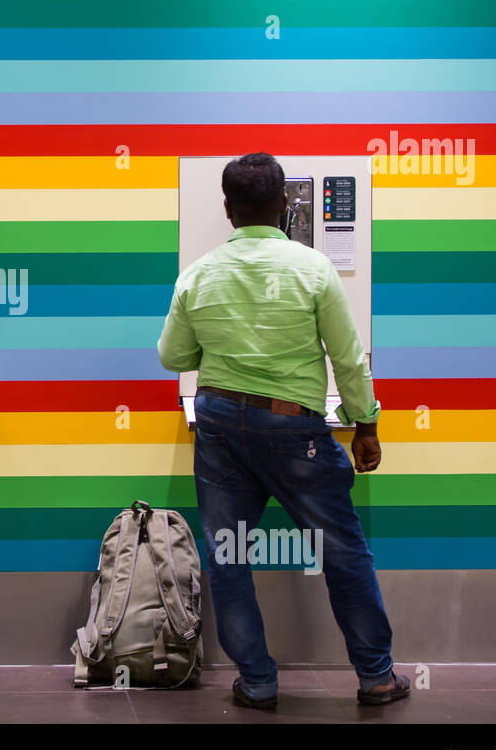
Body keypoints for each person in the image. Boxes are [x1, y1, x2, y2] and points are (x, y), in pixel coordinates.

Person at [156, 152, 408, 708]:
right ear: (286, 204)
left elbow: (173, 354)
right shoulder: (313, 269)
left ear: (228, 209)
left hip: (219, 423)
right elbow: (348, 359)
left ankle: (258, 681)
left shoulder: (198, 274)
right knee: (343, 552)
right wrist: (366, 424)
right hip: (296, 429)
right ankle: (376, 677)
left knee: (229, 554)